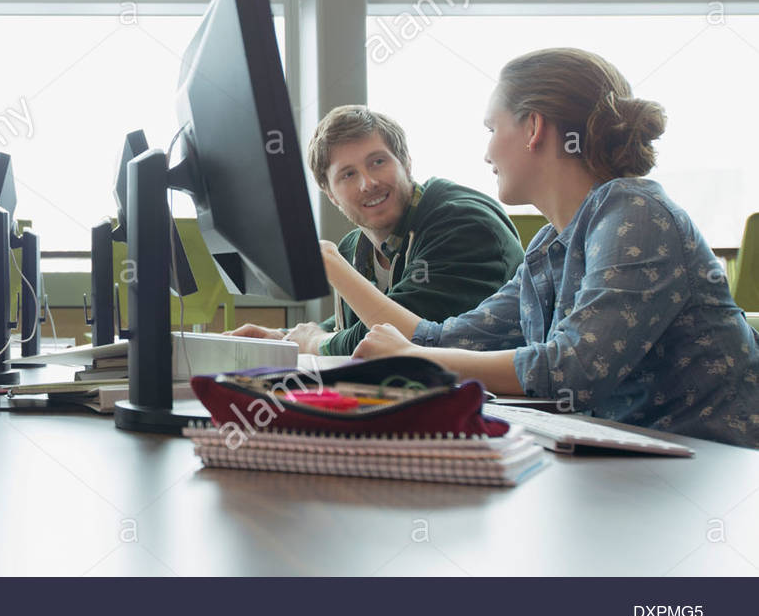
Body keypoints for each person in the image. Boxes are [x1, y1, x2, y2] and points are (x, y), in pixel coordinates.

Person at [339, 48, 759, 448]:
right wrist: (336, 271)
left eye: (491, 129)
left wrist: (418, 360)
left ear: (533, 128)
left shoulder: (638, 214)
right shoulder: (550, 248)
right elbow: (447, 340)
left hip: (711, 470)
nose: (486, 152)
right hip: (629, 468)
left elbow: (573, 370)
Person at [229, 105, 523, 355]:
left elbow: (400, 335)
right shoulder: (353, 247)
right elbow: (360, 322)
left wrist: (316, 343)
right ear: (331, 194)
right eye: (348, 174)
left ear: (406, 163)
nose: (367, 183)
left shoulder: (463, 224)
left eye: (378, 162)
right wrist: (285, 338)